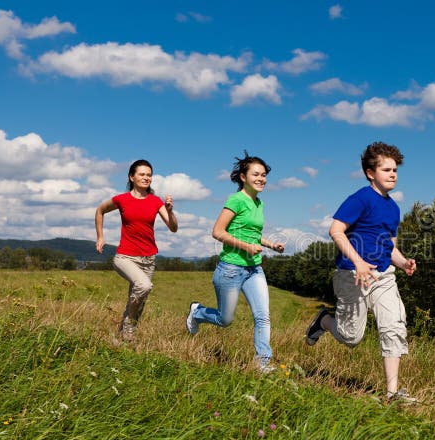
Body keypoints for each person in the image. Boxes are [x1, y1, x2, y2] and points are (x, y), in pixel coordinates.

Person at [305, 141, 417, 402]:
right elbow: (336, 230)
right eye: (386, 170)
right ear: (370, 173)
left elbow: (389, 246)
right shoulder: (360, 199)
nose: (393, 174)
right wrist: (358, 262)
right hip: (351, 275)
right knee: (351, 337)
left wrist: (403, 263)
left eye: (395, 170)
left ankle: (392, 393)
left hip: (383, 276)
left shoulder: (393, 208)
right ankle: (323, 320)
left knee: (394, 327)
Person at [185, 151, 285, 374]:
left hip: (254, 269)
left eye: (264, 175)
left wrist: (271, 245)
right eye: (256, 174)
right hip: (230, 268)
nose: (261, 179)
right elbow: (218, 232)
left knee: (263, 316)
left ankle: (263, 362)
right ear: (243, 177)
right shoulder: (236, 200)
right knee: (225, 319)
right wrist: (246, 247)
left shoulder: (259, 203)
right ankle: (197, 312)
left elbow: (253, 234)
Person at [95, 159, 179, 341]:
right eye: (142, 174)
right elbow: (100, 211)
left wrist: (170, 211)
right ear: (131, 177)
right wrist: (100, 236)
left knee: (140, 300)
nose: (146, 177)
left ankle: (125, 338)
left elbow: (173, 228)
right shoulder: (121, 199)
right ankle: (127, 324)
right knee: (144, 286)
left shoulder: (155, 202)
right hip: (125, 257)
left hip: (148, 259)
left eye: (149, 175)